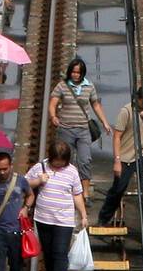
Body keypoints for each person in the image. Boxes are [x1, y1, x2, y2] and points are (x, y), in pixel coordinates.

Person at [26, 139, 88, 271]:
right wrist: (38, 181)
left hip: (64, 220)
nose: (59, 165)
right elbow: (24, 183)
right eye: (56, 162)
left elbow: (77, 194)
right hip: (43, 218)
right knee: (48, 252)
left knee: (60, 252)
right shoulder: (41, 167)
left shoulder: (72, 172)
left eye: (62, 163)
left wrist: (83, 214)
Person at [48, 57, 112, 201]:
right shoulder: (62, 86)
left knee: (85, 160)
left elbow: (96, 105)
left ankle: (85, 193)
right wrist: (53, 116)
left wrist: (105, 122)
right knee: (65, 160)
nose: (75, 75)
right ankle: (67, 189)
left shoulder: (89, 86)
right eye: (73, 72)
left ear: (82, 73)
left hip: (83, 129)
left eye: (78, 73)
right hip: (65, 129)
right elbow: (53, 103)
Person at [97, 85, 143, 228]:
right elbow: (117, 136)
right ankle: (103, 218)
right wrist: (117, 160)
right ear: (138, 99)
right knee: (118, 189)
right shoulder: (126, 111)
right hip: (127, 157)